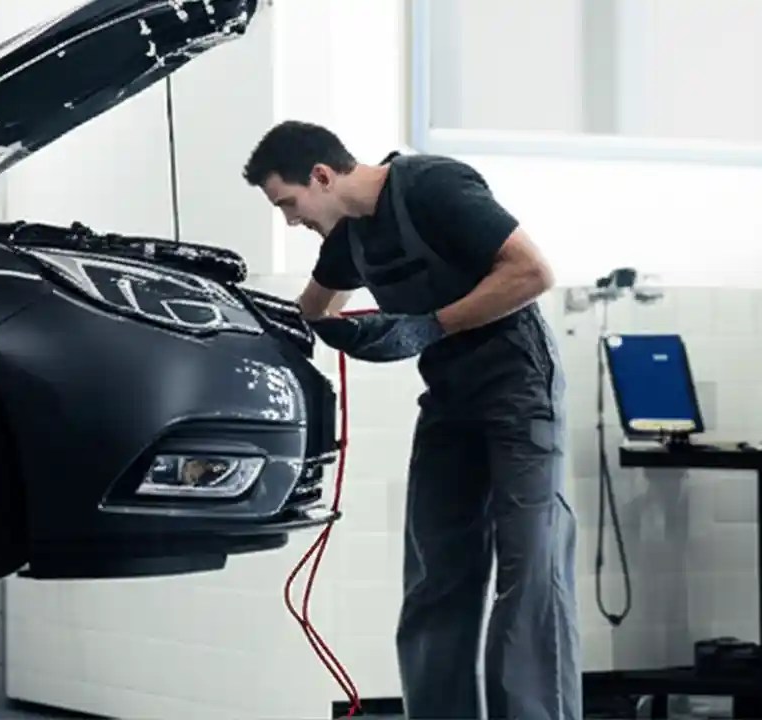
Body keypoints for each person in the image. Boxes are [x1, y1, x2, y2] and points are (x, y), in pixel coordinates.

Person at [242, 120, 579, 720]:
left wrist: (430, 326)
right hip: (449, 395)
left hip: (518, 386)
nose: (290, 220)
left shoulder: (432, 186)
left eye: (288, 204)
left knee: (530, 571)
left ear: (321, 176)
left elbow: (532, 273)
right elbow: (312, 311)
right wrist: (260, 341)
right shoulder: (350, 241)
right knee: (435, 574)